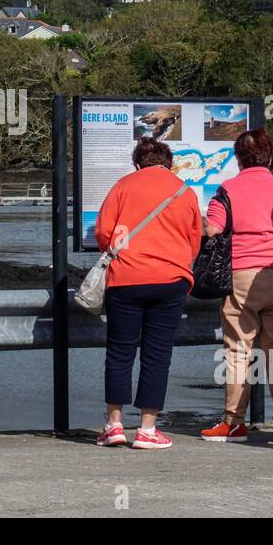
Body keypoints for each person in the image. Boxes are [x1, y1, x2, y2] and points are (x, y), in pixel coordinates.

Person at [94, 136, 201, 450]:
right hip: (171, 279)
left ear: (138, 163)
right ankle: (147, 430)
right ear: (168, 164)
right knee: (157, 356)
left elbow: (103, 233)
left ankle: (114, 425)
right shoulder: (184, 192)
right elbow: (194, 241)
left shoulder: (123, 186)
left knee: (119, 352)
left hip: (126, 278)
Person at [198, 128, 273, 445]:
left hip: (243, 276)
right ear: (269, 156)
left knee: (238, 352)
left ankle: (234, 423)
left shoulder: (228, 189)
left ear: (239, 158)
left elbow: (213, 228)